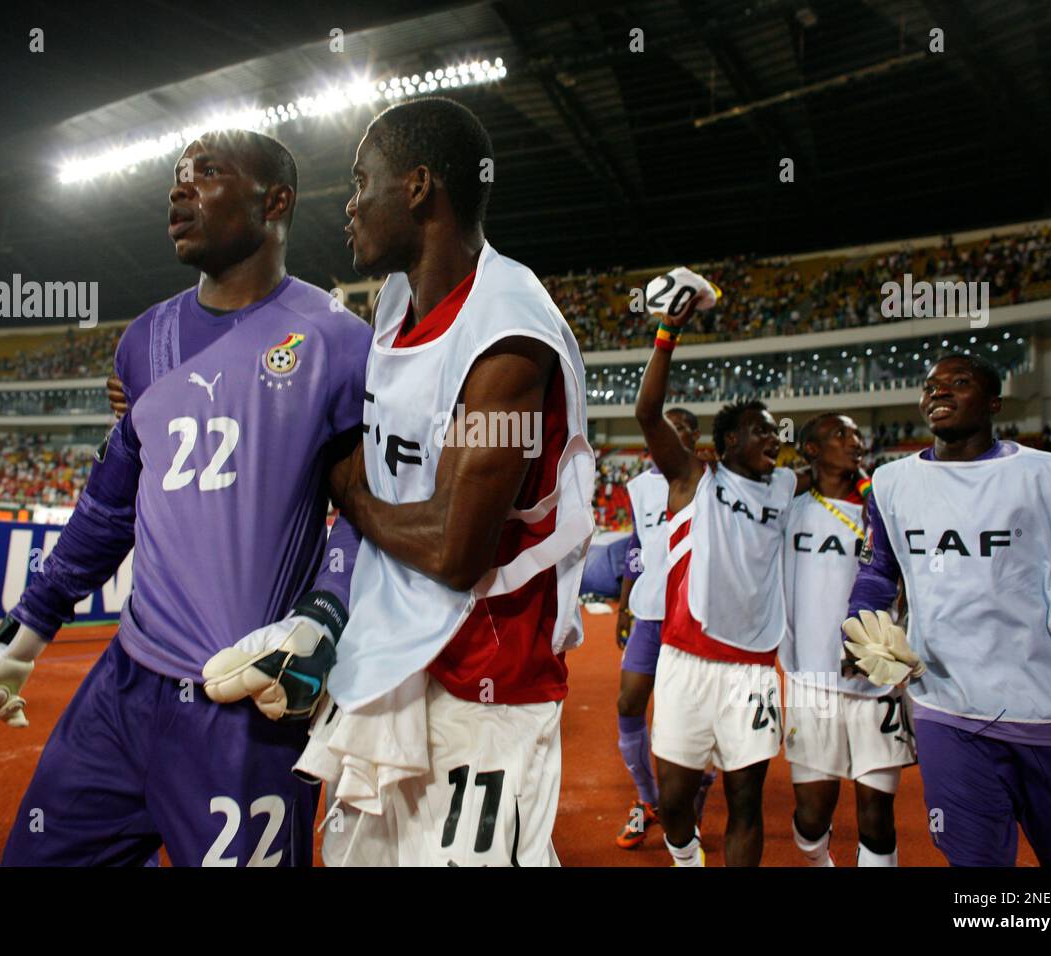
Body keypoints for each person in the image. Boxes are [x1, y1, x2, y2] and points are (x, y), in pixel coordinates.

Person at [0, 129, 371, 867]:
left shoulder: (339, 341)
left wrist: (322, 617)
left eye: (206, 173)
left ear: (276, 201)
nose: (179, 188)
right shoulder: (143, 341)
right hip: (122, 692)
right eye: (176, 174)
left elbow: (375, 508)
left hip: (245, 704)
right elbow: (109, 509)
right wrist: (23, 637)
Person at [296, 97, 595, 866]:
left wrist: (349, 491)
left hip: (488, 673)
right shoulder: (397, 300)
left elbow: (457, 547)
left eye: (362, 182)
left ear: (420, 186)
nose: (349, 205)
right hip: (398, 655)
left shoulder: (508, 334)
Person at [848, 353, 1051, 866]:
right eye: (931, 385)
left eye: (959, 383)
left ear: (994, 403)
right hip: (947, 709)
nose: (939, 392)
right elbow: (876, 573)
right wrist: (860, 628)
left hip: (1048, 713)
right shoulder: (891, 484)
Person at [634, 267, 807, 866]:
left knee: (746, 798)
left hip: (754, 671)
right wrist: (667, 334)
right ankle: (686, 859)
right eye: (760, 431)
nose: (773, 440)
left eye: (775, 433)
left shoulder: (787, 487)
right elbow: (648, 415)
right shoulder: (693, 480)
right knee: (675, 802)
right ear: (729, 440)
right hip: (685, 661)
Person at [781, 412, 913, 867]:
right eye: (841, 434)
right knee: (812, 815)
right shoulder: (788, 510)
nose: (855, 441)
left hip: (878, 686)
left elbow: (911, 587)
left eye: (857, 434)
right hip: (810, 682)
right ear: (811, 451)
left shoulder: (886, 511)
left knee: (877, 815)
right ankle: (821, 860)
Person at [614, 410, 715, 850]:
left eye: (680, 429)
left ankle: (694, 799)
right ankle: (647, 799)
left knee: (697, 715)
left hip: (696, 619)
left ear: (694, 436)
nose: (668, 435)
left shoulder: (711, 479)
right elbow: (637, 548)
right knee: (629, 702)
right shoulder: (639, 486)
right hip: (650, 614)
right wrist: (623, 606)